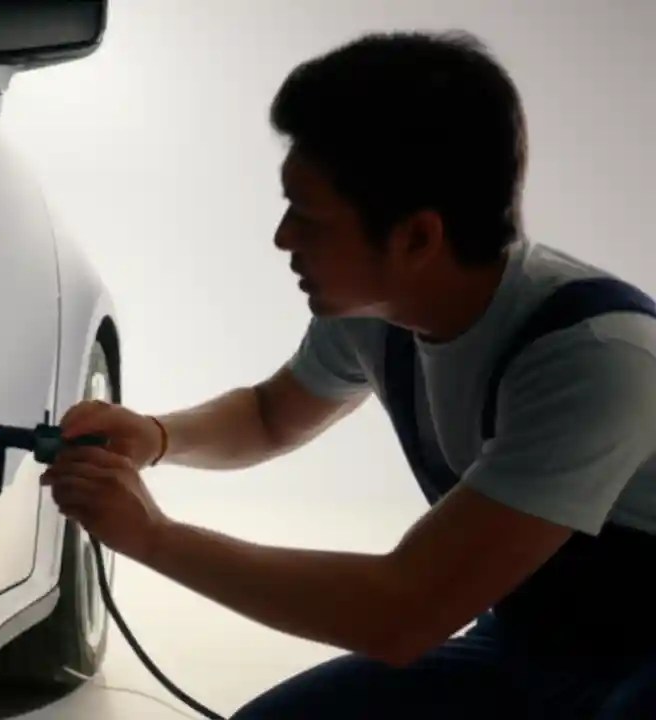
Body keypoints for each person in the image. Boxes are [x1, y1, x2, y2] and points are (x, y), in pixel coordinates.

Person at [42, 30, 656, 719]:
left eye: (308, 217)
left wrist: (153, 537)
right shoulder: (378, 313)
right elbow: (270, 415)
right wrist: (155, 437)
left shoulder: (596, 359)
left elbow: (400, 614)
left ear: (418, 237)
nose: (283, 238)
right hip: (539, 645)